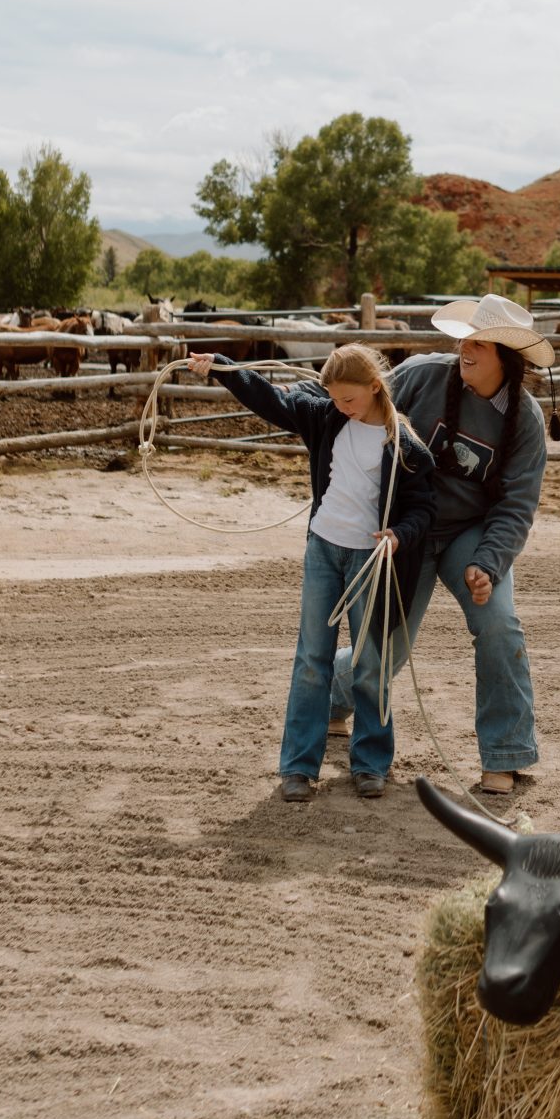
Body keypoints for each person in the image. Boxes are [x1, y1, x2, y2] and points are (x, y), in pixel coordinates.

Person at [187, 343, 435, 803]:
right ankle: (299, 766)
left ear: (375, 388)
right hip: (323, 550)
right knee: (311, 661)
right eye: (336, 399)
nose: (340, 408)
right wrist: (221, 368)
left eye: (349, 400)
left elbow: (423, 509)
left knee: (371, 663)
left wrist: (398, 534)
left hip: (369, 560)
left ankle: (370, 763)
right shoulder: (326, 417)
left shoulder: (407, 447)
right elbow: (273, 400)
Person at [328, 294, 556, 794]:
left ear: (506, 356)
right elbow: (359, 416)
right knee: (387, 646)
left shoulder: (526, 420)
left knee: (498, 624)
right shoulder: (422, 376)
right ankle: (329, 699)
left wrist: (489, 564)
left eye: (479, 343)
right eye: (465, 339)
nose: (466, 349)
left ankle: (506, 755)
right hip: (403, 530)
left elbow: (517, 504)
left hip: (469, 534)